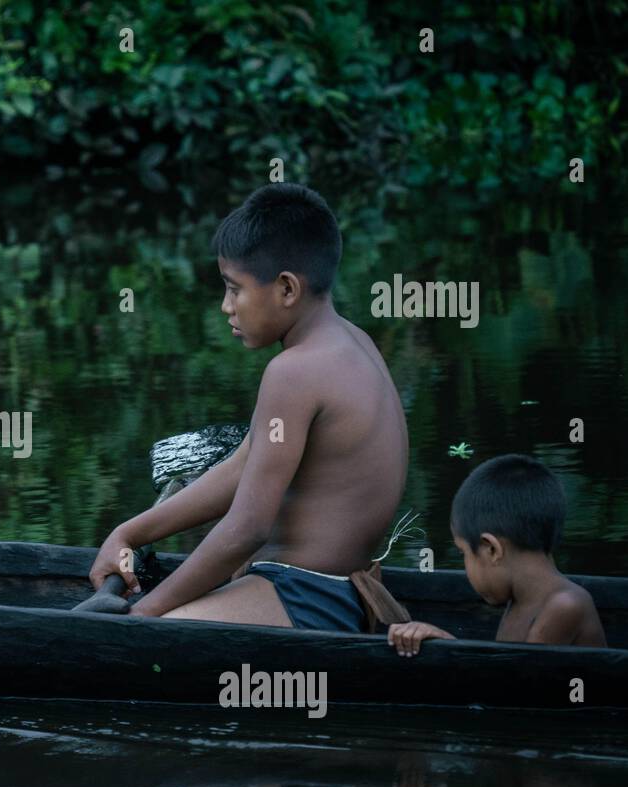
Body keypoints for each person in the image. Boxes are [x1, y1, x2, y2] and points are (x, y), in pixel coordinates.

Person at [89, 183, 408, 629]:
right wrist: (129, 532)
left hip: (308, 598)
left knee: (126, 640)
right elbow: (241, 470)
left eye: (234, 289)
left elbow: (248, 529)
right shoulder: (355, 342)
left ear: (286, 289)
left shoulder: (293, 372)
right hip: (333, 591)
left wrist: (144, 612)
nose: (226, 307)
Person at [388, 454, 605, 655]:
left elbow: (513, 685)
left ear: (492, 549)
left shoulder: (565, 606)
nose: (465, 566)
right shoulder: (520, 599)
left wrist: (449, 644)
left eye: (464, 552)